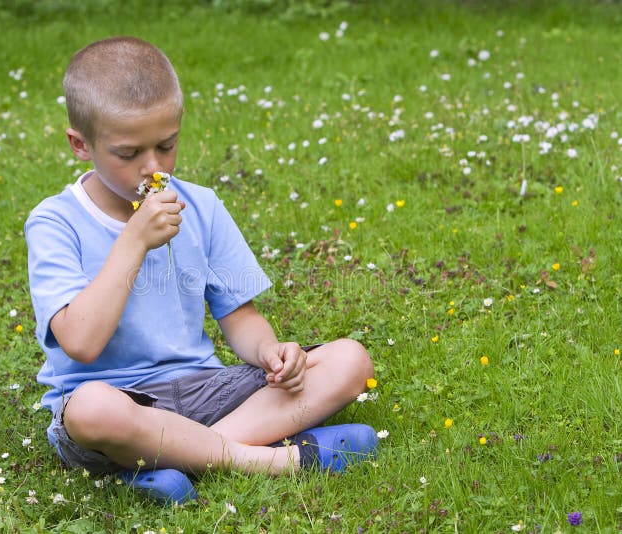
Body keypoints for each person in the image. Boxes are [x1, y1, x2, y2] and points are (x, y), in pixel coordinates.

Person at [24, 36, 378, 504]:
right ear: (79, 144)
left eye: (166, 146)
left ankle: (173, 460)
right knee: (91, 411)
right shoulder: (54, 222)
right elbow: (81, 343)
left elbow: (241, 318)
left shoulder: (202, 206)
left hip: (204, 388)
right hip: (115, 399)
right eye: (129, 154)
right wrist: (133, 241)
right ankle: (265, 459)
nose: (153, 169)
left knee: (349, 360)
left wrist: (272, 352)